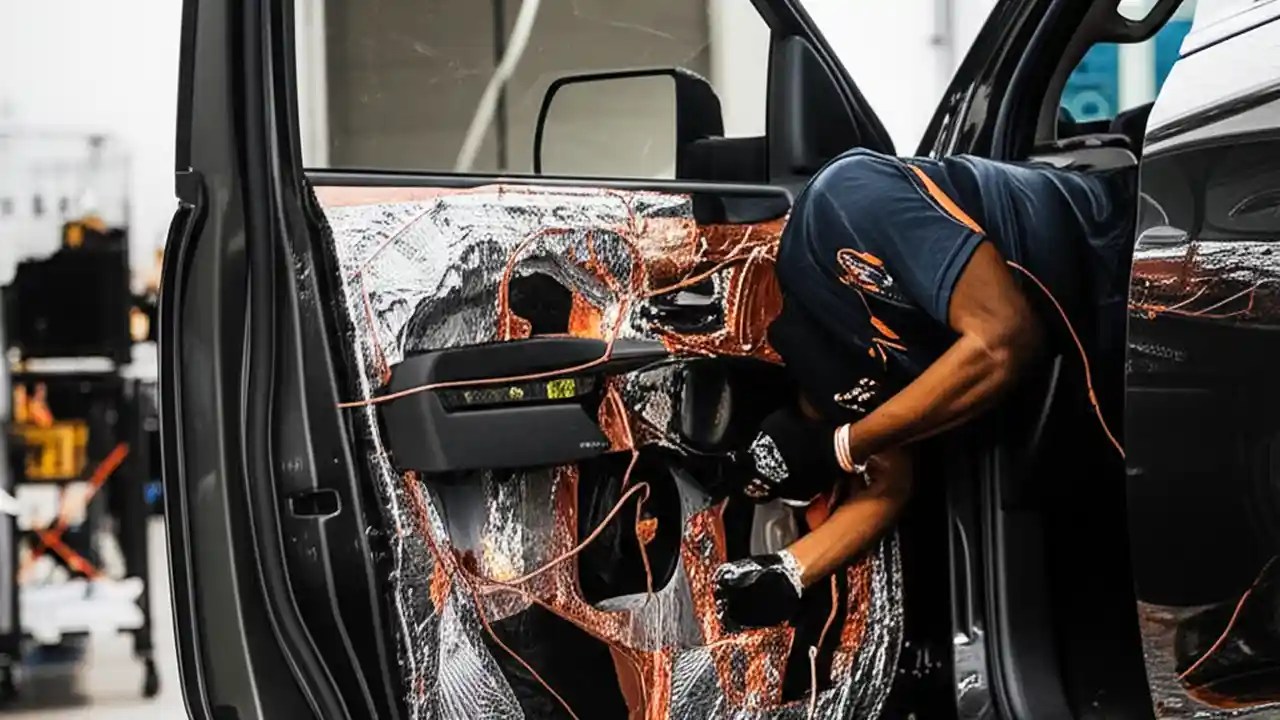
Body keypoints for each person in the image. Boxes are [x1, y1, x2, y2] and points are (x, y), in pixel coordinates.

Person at [712, 148, 1134, 629]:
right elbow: (890, 481)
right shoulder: (833, 383)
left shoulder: (842, 202)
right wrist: (791, 570)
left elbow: (1004, 338)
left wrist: (844, 446)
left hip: (1131, 246)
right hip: (1102, 350)